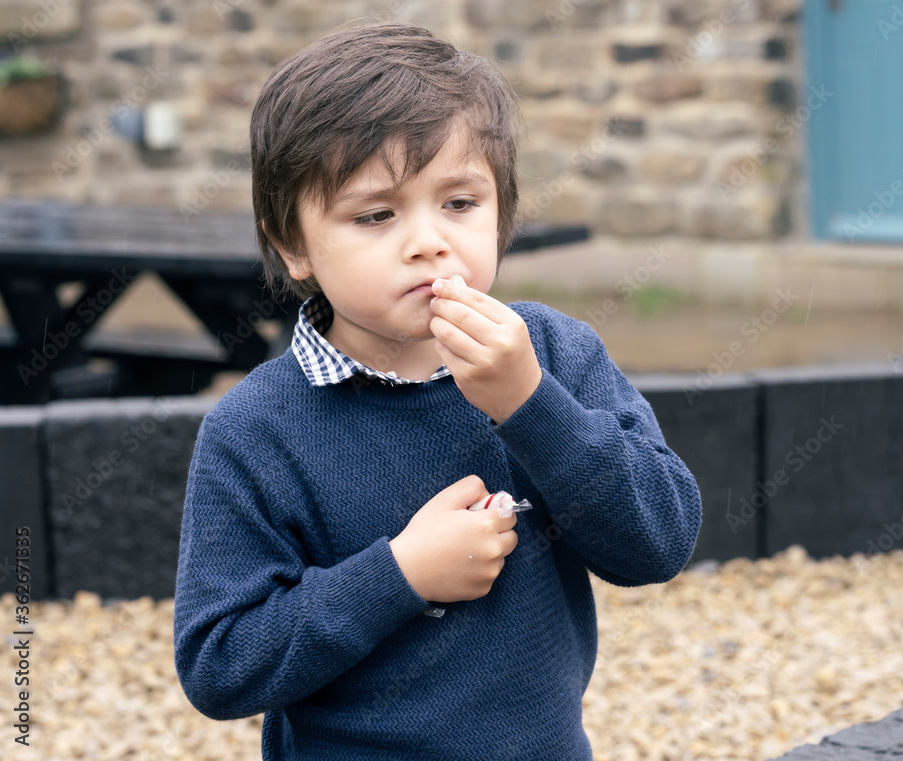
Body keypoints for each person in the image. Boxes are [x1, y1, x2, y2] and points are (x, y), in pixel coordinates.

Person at [173, 20, 701, 761]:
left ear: (502, 211)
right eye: (376, 214)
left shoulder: (552, 355)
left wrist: (531, 404)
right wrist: (400, 575)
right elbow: (220, 663)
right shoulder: (256, 428)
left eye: (460, 203)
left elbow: (660, 541)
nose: (429, 240)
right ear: (292, 243)